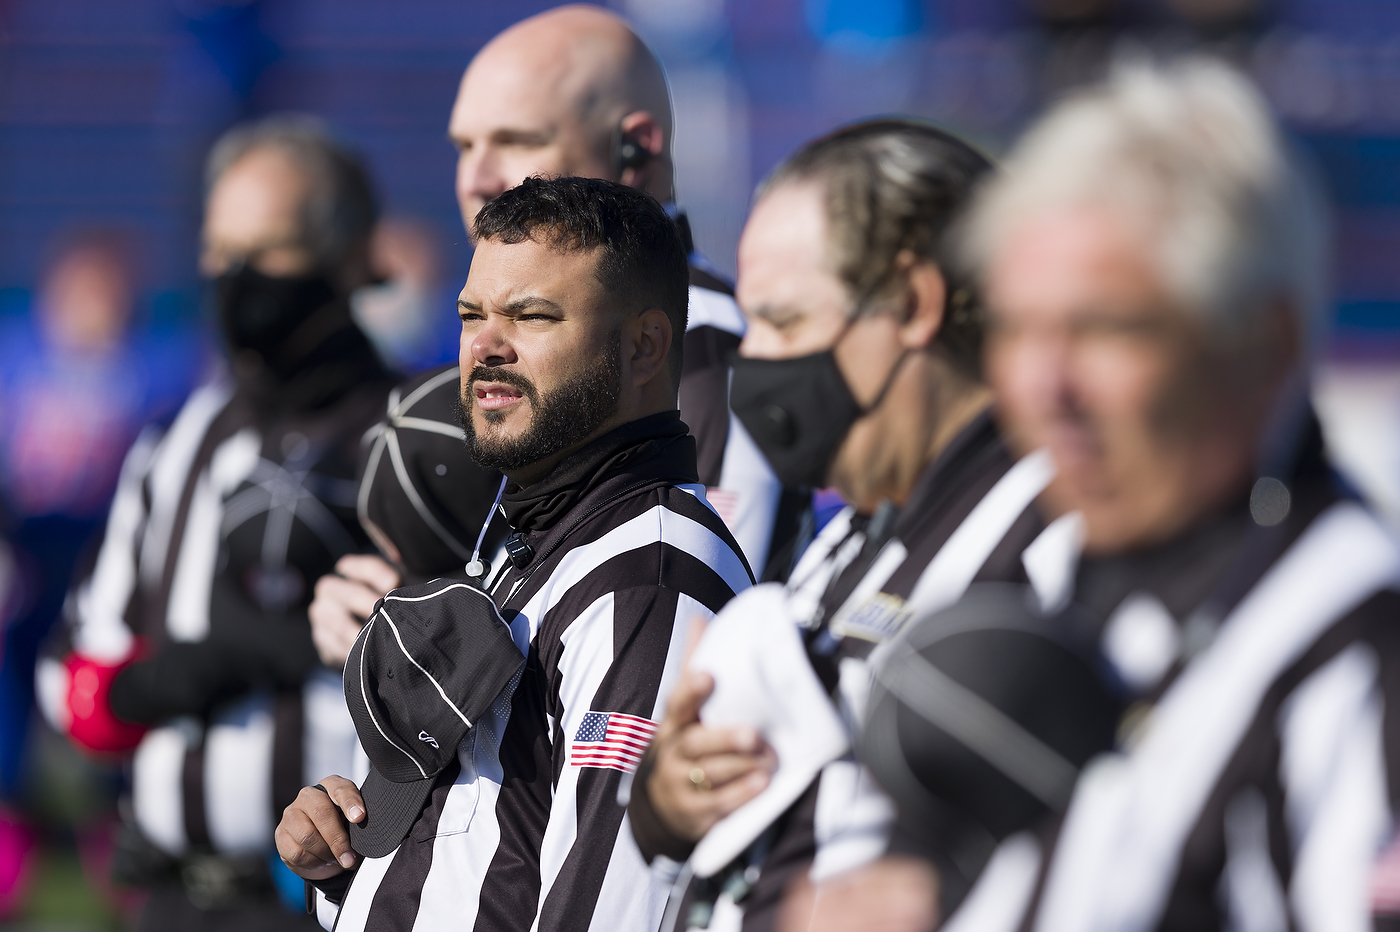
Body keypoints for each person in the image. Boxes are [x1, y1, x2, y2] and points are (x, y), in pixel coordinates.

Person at [893, 58, 1398, 932]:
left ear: (1262, 345)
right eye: (1017, 329)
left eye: (1103, 329)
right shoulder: (1065, 570)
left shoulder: (1353, 647)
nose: (1045, 387)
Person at [275, 176, 753, 932]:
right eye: (472, 315)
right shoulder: (525, 536)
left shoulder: (647, 575)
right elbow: (477, 863)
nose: (485, 346)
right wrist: (343, 867)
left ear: (645, 346)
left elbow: (613, 913)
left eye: (531, 316)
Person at [624, 119, 1057, 932]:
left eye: (786, 322)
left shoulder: (1050, 538)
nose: (756, 361)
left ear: (914, 303)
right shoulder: (853, 533)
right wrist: (671, 795)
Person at [308, 6, 799, 675]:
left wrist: (430, 651)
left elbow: (677, 647)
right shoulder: (496, 329)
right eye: (463, 146)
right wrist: (390, 610)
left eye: (516, 141)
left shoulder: (713, 349)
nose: (476, 179)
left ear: (637, 148)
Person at [34, 116, 392, 931]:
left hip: (329, 902)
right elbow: (70, 678)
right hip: (172, 898)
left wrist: (304, 652)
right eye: (221, 251)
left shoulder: (407, 438)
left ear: (346, 258)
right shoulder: (177, 443)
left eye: (270, 252)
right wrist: (163, 680)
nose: (238, 280)